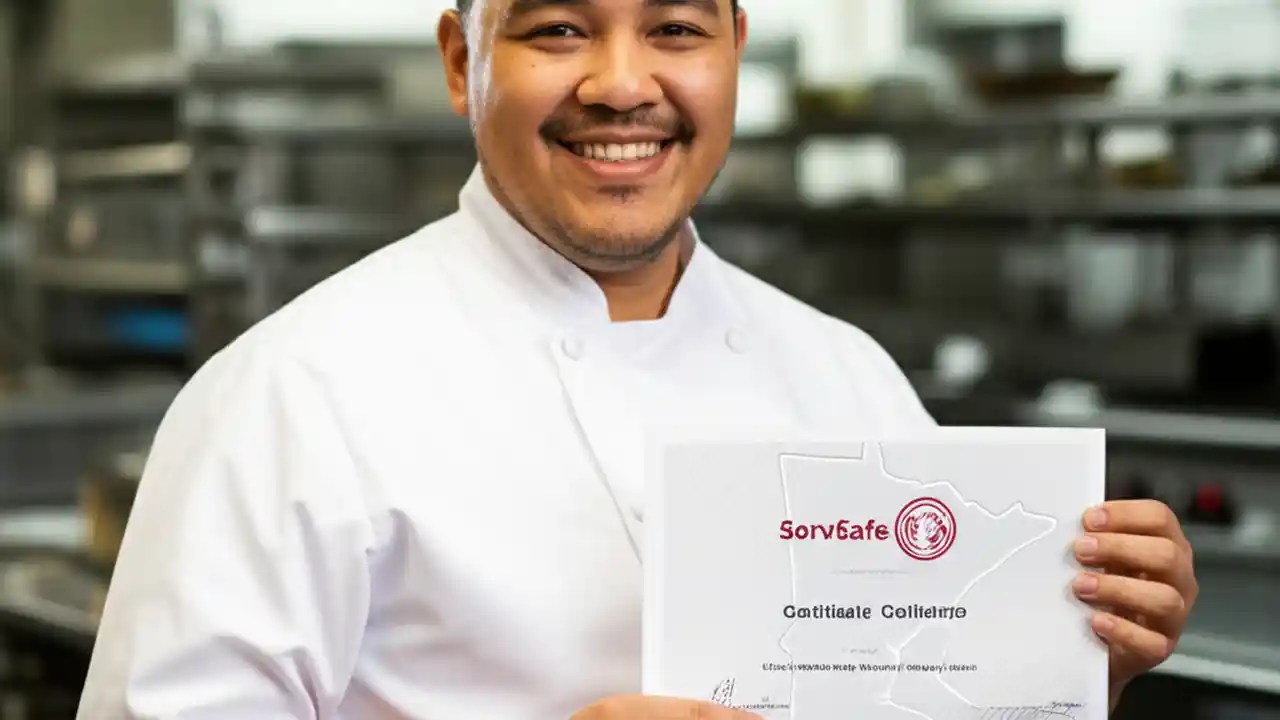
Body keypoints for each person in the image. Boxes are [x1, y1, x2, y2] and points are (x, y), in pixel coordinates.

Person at [77, 0, 1199, 718]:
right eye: (557, 28)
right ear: (461, 61)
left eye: (673, 27)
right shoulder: (288, 395)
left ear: (733, 56)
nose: (622, 83)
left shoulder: (843, 375)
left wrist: (1051, 667)